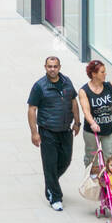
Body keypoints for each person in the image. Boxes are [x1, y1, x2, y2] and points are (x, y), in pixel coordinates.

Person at [27, 56, 80, 211]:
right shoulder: (39, 86)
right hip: (47, 131)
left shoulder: (67, 82)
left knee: (65, 161)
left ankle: (50, 182)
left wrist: (77, 122)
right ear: (45, 67)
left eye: (55, 66)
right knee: (50, 164)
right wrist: (34, 133)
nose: (52, 69)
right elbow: (32, 109)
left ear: (59, 67)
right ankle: (55, 197)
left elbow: (73, 101)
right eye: (50, 66)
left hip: (65, 130)